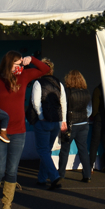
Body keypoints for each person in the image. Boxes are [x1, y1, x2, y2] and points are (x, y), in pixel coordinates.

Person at [0, 53, 50, 209]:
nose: (19, 68)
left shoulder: (24, 76)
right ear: (7, 64)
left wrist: (31, 60)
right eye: (16, 64)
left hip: (18, 130)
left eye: (21, 64)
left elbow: (45, 69)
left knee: (12, 170)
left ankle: (6, 207)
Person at [30, 58, 67, 189]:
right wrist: (63, 120)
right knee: (47, 150)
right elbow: (63, 102)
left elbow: (35, 102)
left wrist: (40, 116)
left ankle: (54, 176)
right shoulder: (59, 83)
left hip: (44, 121)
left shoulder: (38, 83)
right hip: (56, 120)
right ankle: (41, 178)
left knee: (43, 150)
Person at [57, 70, 92, 183]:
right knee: (83, 150)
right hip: (83, 123)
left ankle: (61, 174)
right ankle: (87, 175)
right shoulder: (86, 92)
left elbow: (62, 108)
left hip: (70, 125)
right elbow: (89, 110)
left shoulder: (67, 92)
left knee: (64, 150)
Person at [88, 84, 105, 172]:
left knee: (94, 143)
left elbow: (94, 107)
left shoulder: (97, 89)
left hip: (98, 119)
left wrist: (94, 115)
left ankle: (90, 165)